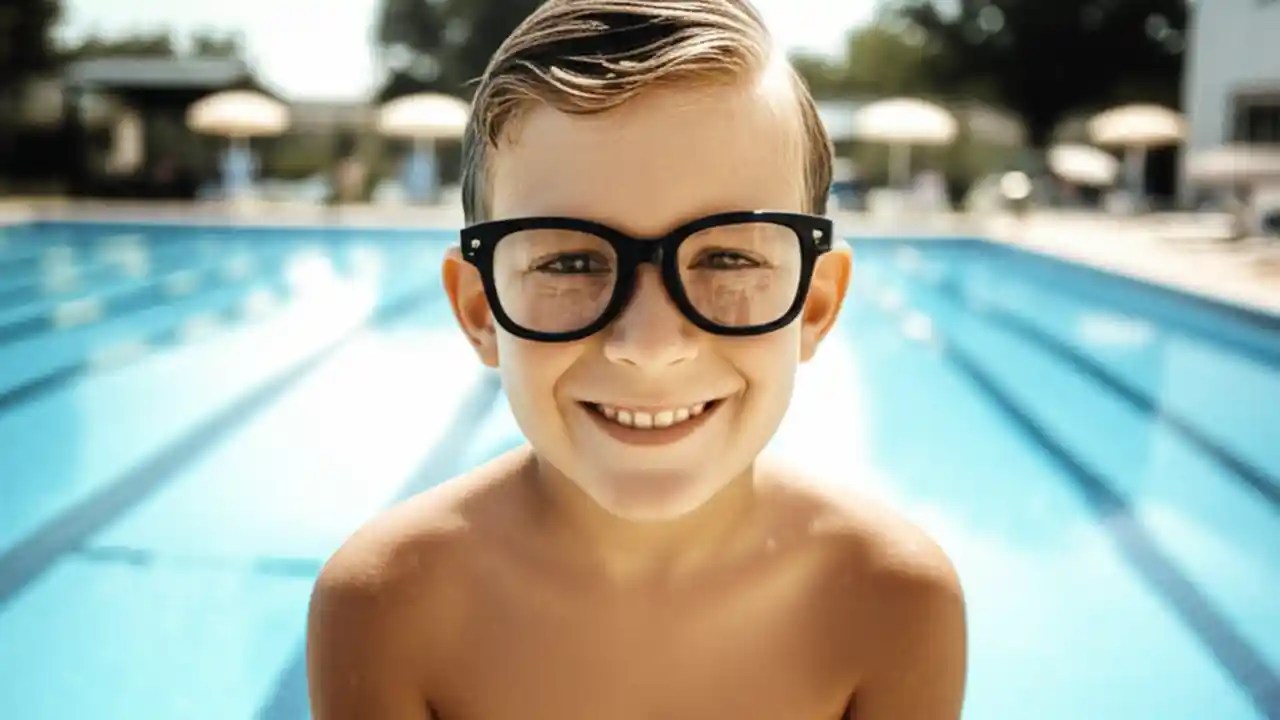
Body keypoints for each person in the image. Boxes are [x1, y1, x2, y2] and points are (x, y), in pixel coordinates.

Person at [306, 2, 967, 718]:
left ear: (814, 305)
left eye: (725, 257)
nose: (650, 346)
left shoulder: (893, 602)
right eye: (570, 261)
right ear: (481, 310)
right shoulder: (388, 606)